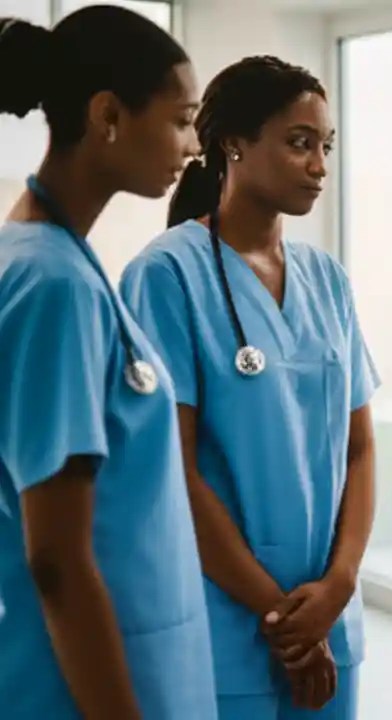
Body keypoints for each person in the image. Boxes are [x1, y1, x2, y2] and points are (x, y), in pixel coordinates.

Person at [119, 56, 378, 719]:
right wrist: (282, 618)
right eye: (299, 143)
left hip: (329, 619)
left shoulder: (327, 279)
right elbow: (171, 472)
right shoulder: (166, 275)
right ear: (233, 142)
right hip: (225, 628)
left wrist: (341, 585)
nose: (319, 164)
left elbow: (359, 448)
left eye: (326, 146)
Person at [0, 6, 216, 719]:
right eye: (181, 119)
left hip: (137, 655)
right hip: (88, 688)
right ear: (107, 115)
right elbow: (56, 561)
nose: (192, 145)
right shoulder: (53, 285)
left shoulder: (52, 256)